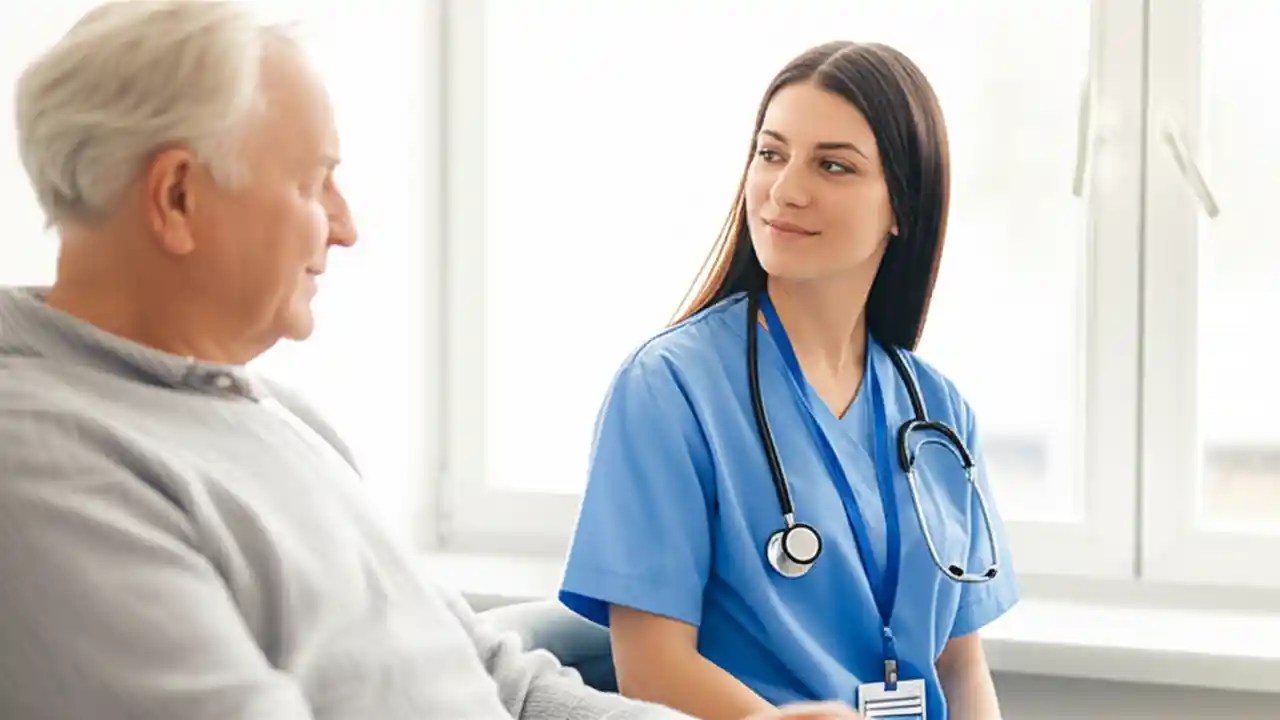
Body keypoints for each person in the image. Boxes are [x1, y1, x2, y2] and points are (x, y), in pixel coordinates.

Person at [0, 3, 863, 719]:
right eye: (313, 183)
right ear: (178, 197)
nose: (345, 226)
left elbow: (498, 679)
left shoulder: (276, 416)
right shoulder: (47, 468)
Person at [558, 41, 1020, 720]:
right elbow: (652, 670)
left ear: (904, 205)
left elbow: (960, 667)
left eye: (833, 165)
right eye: (771, 154)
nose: (785, 191)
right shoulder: (668, 390)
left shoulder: (939, 411)